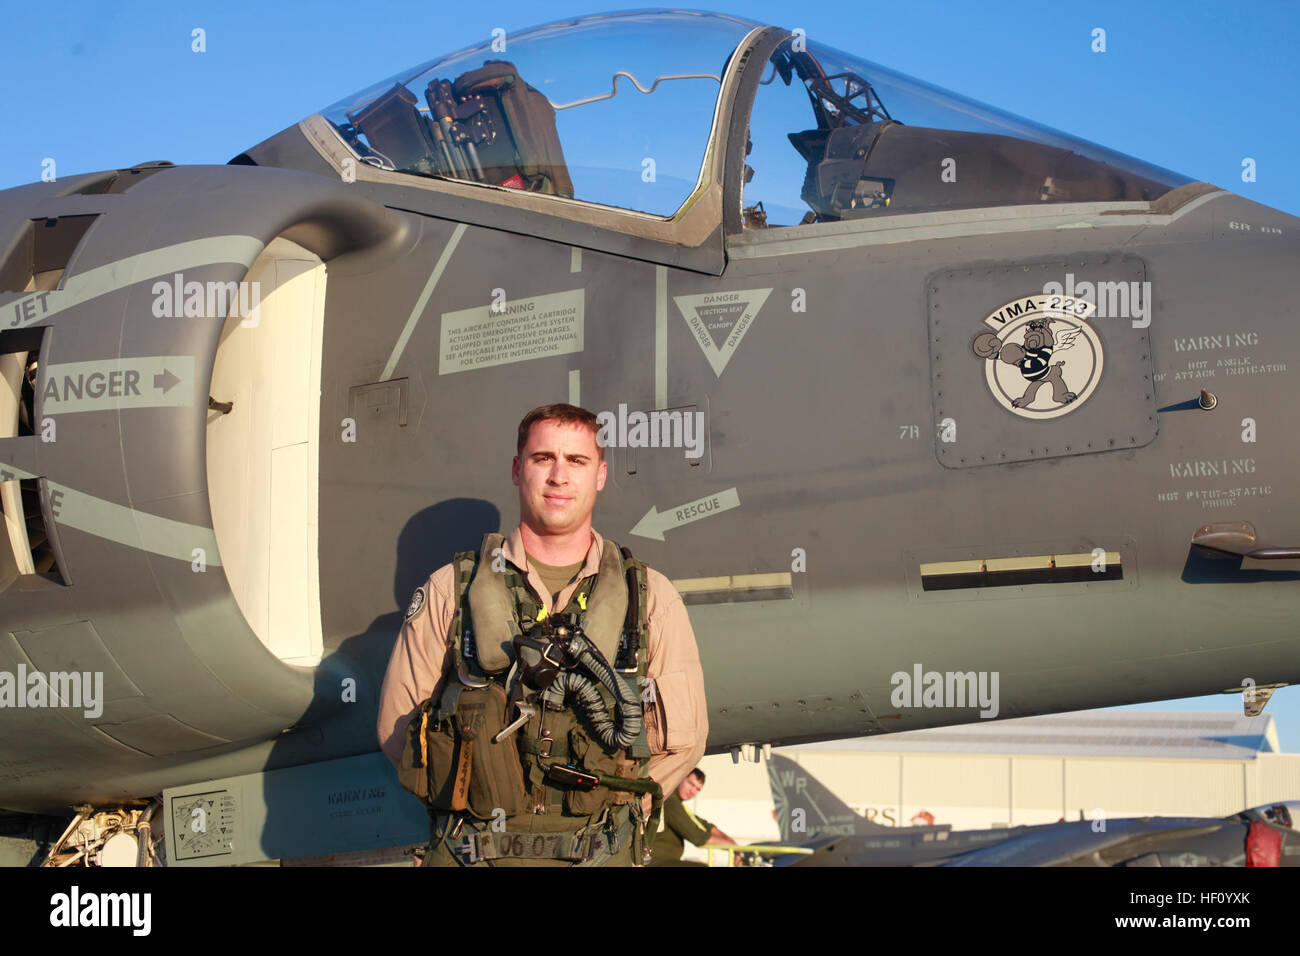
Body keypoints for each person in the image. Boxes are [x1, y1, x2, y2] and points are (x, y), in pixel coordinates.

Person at [377, 403, 708, 866]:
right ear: (518, 469)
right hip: (474, 852)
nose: (559, 476)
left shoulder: (648, 597)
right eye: (542, 458)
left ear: (600, 475)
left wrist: (618, 815)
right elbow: (401, 730)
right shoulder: (452, 589)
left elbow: (686, 738)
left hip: (601, 851)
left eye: (577, 461)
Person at [651, 768, 736, 866]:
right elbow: (697, 836)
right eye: (691, 784)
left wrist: (733, 844)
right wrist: (732, 846)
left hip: (663, 861)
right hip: (653, 861)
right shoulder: (669, 800)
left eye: (697, 789)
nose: (692, 791)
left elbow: (703, 825)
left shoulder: (678, 804)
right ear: (681, 778)